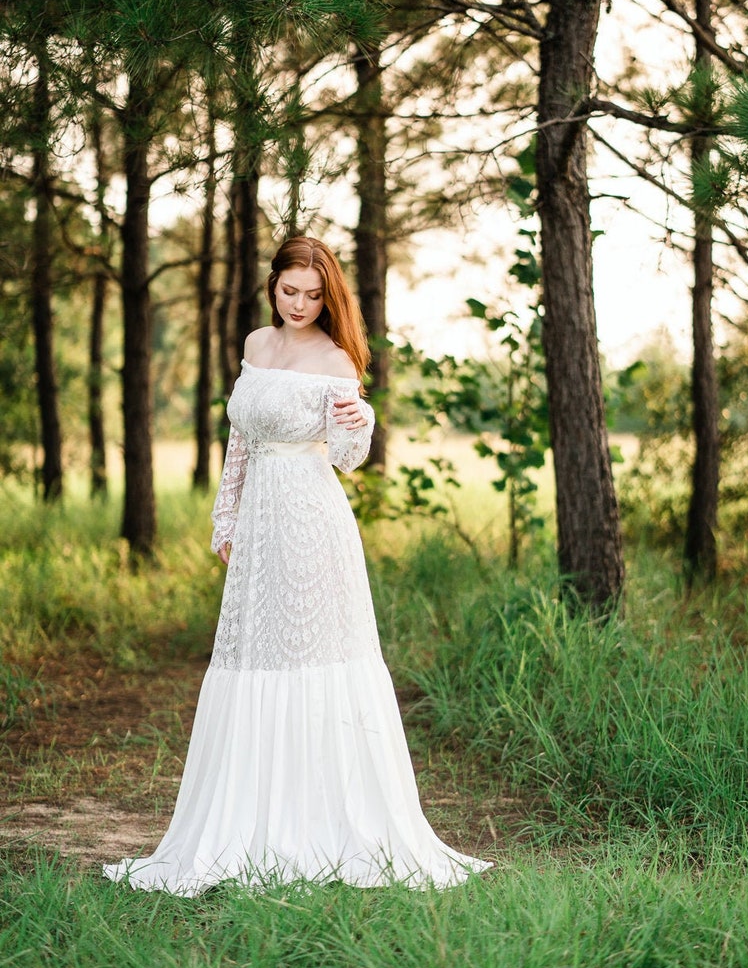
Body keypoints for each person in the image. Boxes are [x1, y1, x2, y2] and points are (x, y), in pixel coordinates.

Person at [103, 235, 491, 896]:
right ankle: (248, 816)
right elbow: (241, 439)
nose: (302, 304)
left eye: (314, 294)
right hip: (257, 524)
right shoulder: (256, 346)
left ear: (328, 294)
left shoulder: (337, 359)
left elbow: (346, 456)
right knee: (254, 660)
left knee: (310, 661)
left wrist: (359, 417)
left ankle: (320, 820)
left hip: (313, 521)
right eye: (291, 291)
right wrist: (225, 518)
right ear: (273, 285)